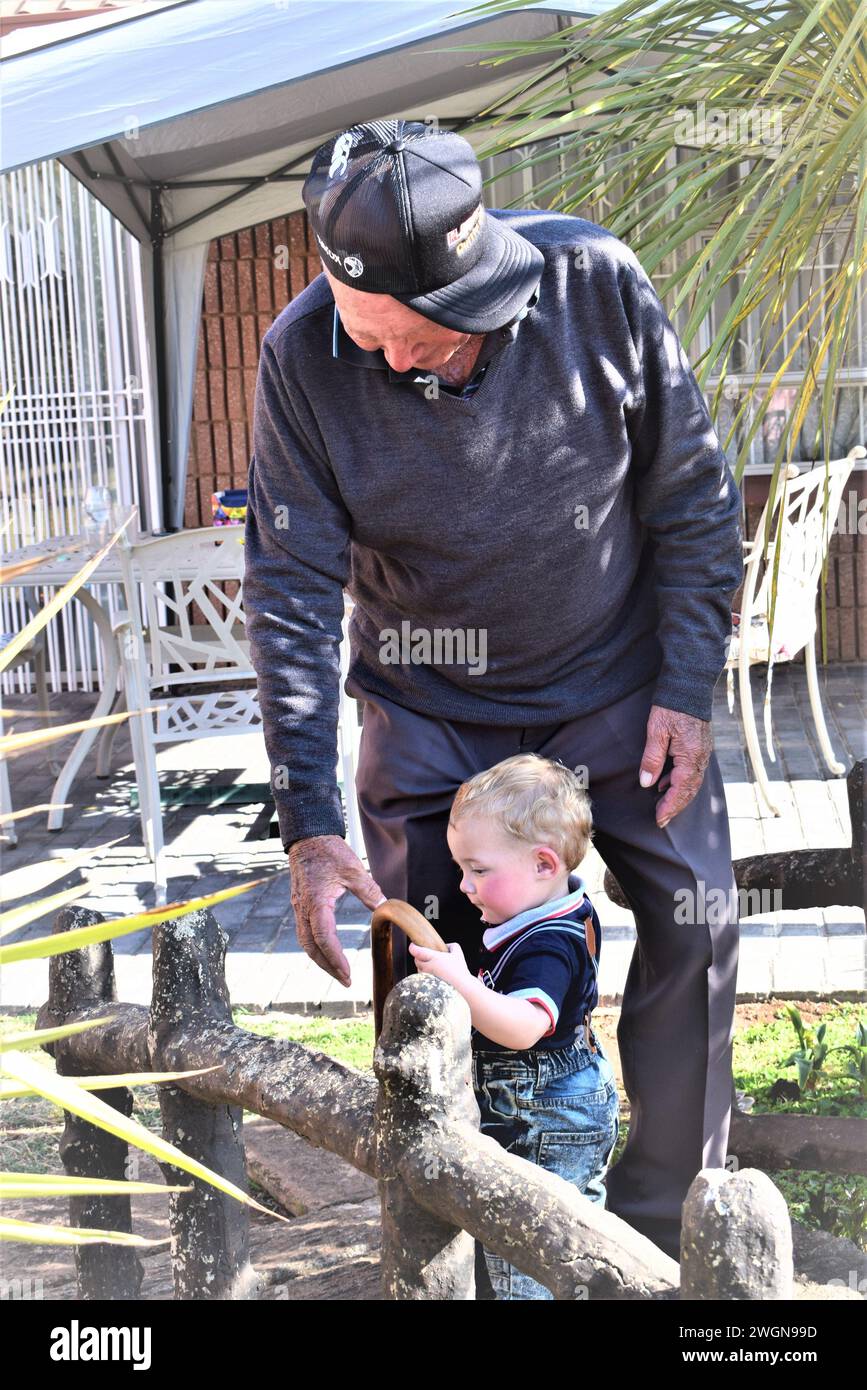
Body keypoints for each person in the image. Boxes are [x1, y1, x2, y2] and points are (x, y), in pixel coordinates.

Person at [243, 118, 744, 1265]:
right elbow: (290, 592)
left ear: (478, 286)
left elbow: (696, 501)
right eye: (363, 337)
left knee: (695, 922)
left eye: (413, 341)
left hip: (617, 685)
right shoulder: (304, 356)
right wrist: (312, 823)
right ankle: (467, 1232)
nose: (386, 364)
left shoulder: (594, 285)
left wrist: (684, 685)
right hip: (427, 709)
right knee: (429, 962)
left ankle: (665, 1230)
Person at [408, 752, 620, 1301]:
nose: (464, 886)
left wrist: (463, 986)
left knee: (528, 1245)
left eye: (478, 870)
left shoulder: (547, 944)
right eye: (462, 869)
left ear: (544, 864)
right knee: (574, 1239)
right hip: (560, 1101)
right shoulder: (557, 908)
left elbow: (524, 1027)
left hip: (542, 1113)